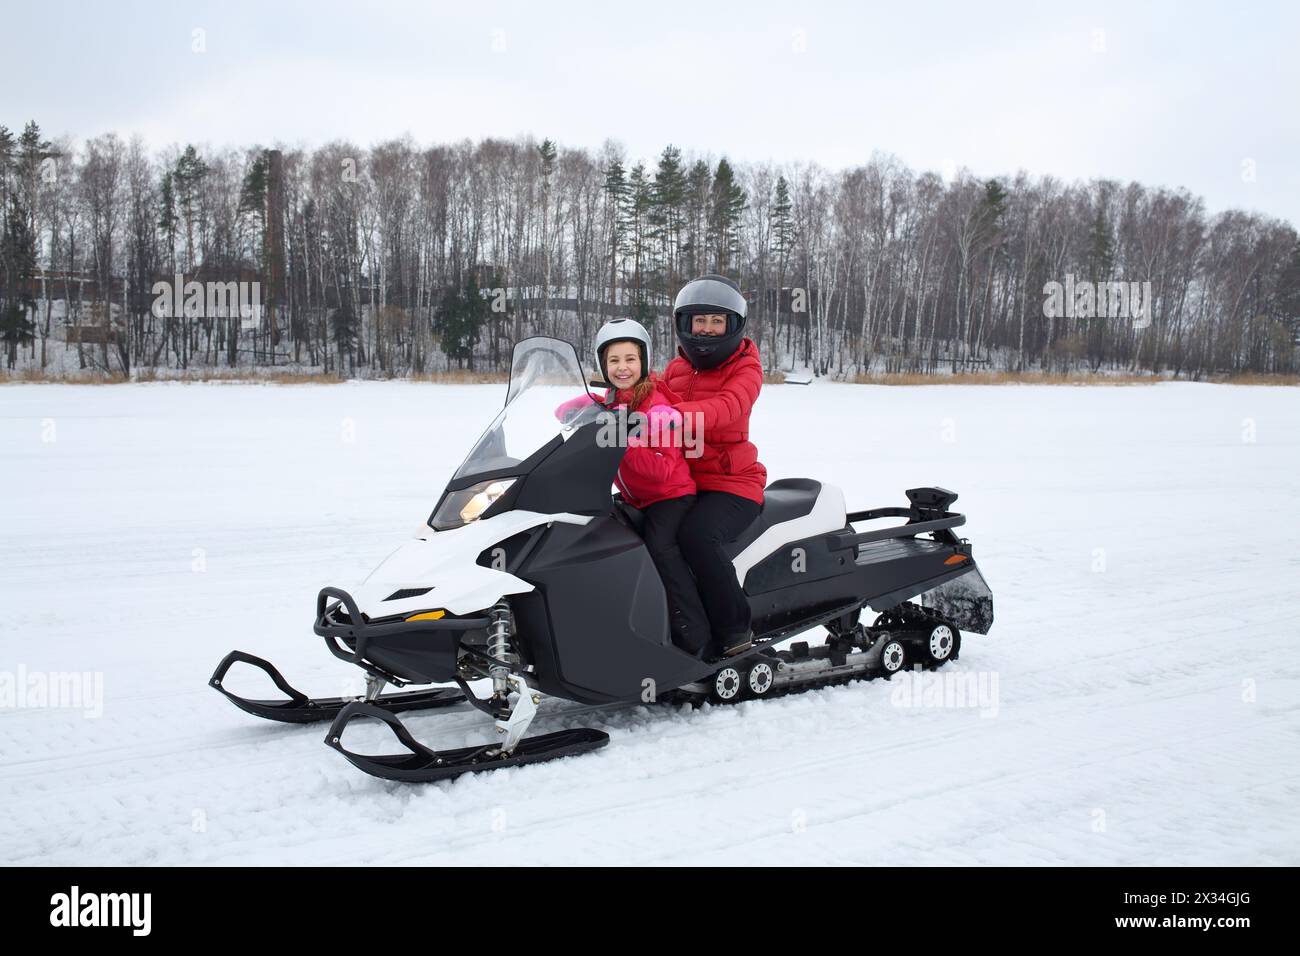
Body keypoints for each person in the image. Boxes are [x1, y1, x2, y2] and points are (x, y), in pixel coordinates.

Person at [555, 318, 712, 654]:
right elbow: (591, 436)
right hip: (635, 499)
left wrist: (624, 441)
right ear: (602, 364)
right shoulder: (612, 403)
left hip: (670, 497)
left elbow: (661, 471)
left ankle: (693, 633)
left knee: (659, 547)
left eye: (630, 359)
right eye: (613, 360)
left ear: (643, 361)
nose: (622, 367)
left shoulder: (656, 406)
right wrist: (582, 415)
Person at [662, 275, 767, 659]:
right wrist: (609, 401)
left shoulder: (747, 369)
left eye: (716, 321)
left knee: (696, 537)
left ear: (732, 327)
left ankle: (734, 627)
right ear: (685, 323)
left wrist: (672, 417)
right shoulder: (676, 368)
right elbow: (646, 394)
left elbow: (727, 408)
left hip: (732, 485)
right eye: (699, 320)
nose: (706, 329)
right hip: (681, 482)